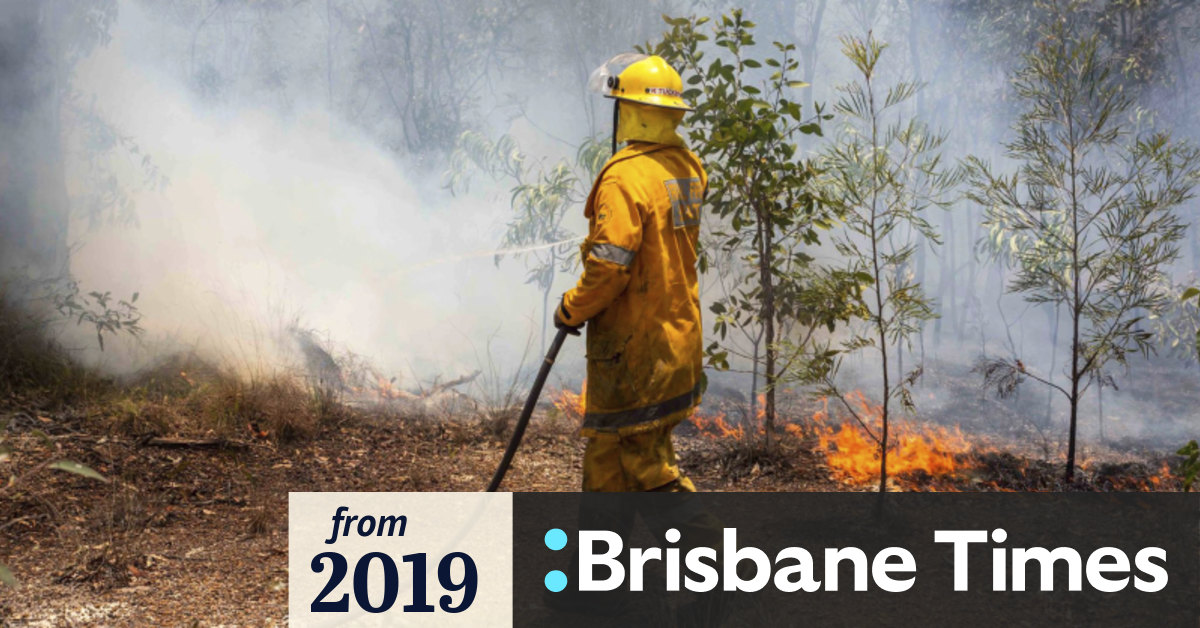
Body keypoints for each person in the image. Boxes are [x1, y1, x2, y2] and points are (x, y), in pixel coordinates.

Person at [554, 54, 707, 494]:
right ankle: (601, 563)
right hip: (675, 340)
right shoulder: (687, 166)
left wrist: (571, 308)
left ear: (632, 111)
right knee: (607, 461)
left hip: (635, 354)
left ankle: (715, 558)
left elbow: (608, 267)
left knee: (648, 471)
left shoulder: (624, 178)